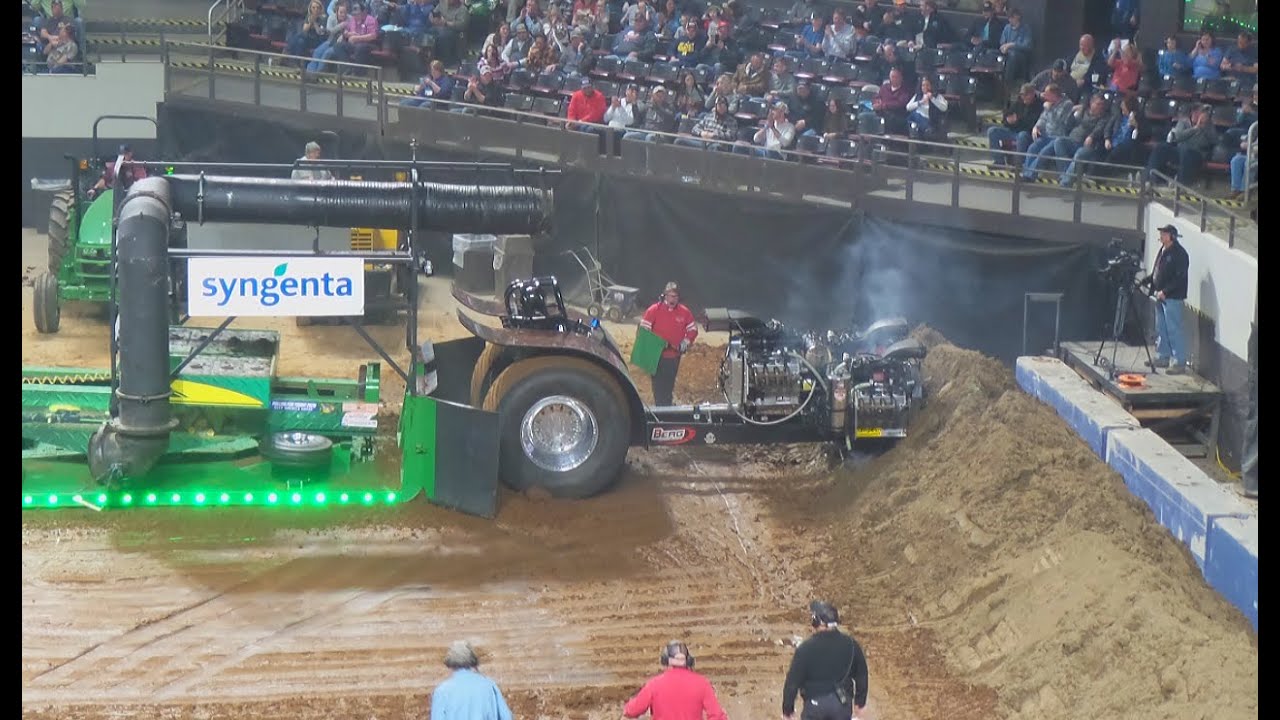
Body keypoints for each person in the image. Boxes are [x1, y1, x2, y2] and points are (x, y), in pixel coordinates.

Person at [782, 601, 869, 720]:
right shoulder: (852, 644)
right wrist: (860, 702)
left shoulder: (805, 649)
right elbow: (861, 674)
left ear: (817, 622)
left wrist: (788, 710)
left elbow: (792, 682)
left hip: (815, 706)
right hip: (841, 706)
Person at [622, 641, 729, 720]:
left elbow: (632, 711)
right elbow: (717, 716)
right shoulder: (702, 684)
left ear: (665, 660)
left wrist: (627, 708)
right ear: (688, 661)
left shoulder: (654, 684)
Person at [1140, 225, 1190, 375]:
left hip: (1172, 297)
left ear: (1172, 236)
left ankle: (1178, 361)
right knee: (1161, 327)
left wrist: (1166, 291)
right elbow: (1158, 271)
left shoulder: (1180, 254)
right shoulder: (1163, 250)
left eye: (1164, 233)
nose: (1161, 235)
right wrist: (1148, 280)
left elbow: (1179, 278)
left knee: (1173, 328)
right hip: (1160, 295)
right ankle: (1163, 355)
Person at [639, 282, 698, 407]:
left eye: (675, 296)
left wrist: (685, 342)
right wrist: (655, 344)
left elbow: (693, 329)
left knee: (668, 385)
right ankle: (661, 409)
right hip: (656, 357)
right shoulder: (654, 310)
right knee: (658, 387)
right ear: (665, 296)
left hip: (673, 357)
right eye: (670, 296)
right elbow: (644, 330)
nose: (673, 299)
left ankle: (666, 407)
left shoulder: (684, 312)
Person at [429, 640, 513, 720]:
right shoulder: (489, 686)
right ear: (473, 661)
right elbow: (506, 717)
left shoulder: (442, 691)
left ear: (450, 664)